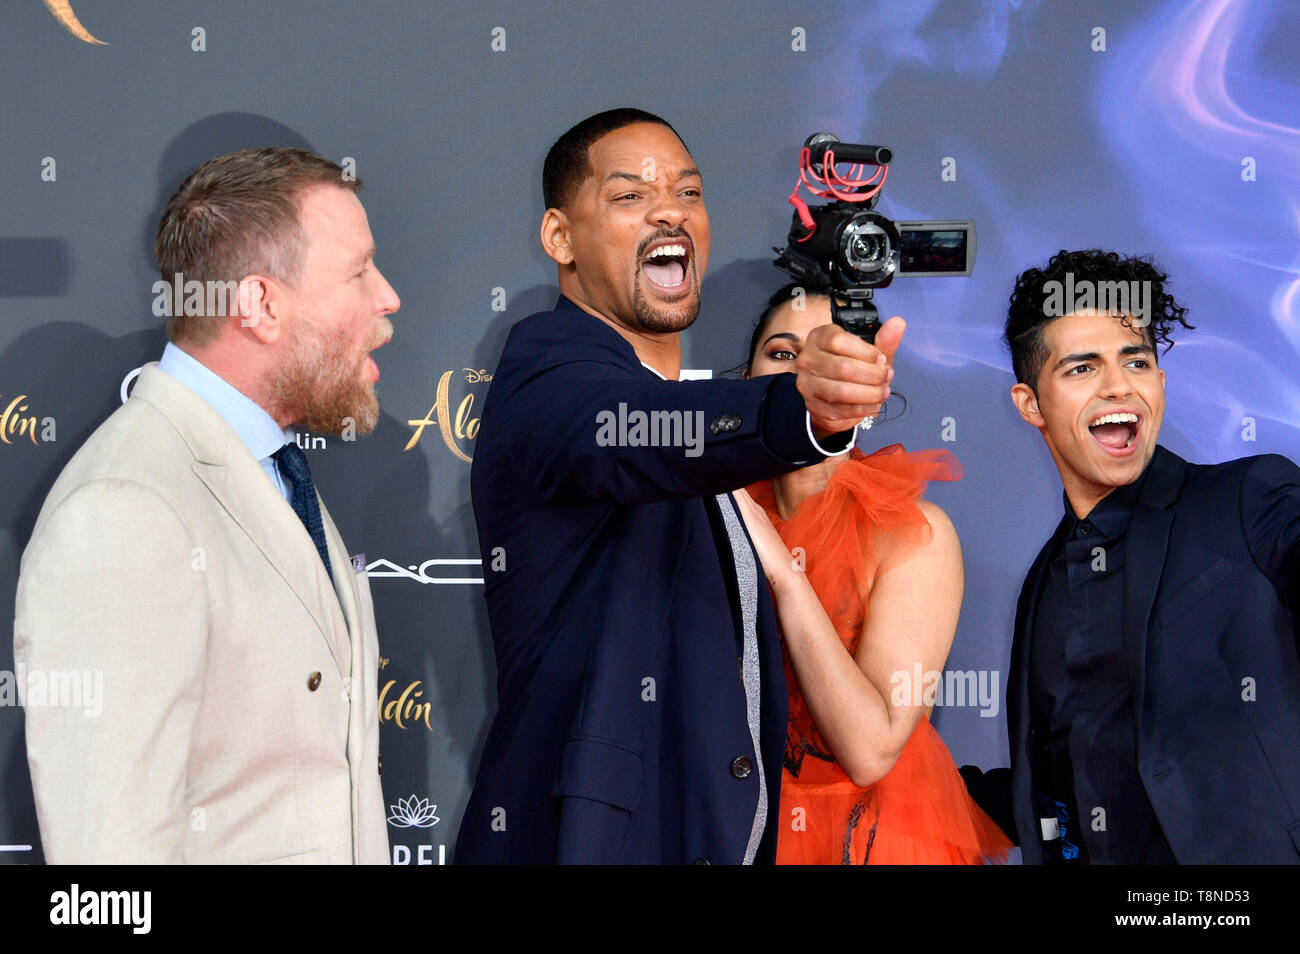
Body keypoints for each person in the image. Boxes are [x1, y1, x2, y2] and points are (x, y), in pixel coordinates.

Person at [456, 109, 900, 864]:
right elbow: (637, 430)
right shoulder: (545, 371)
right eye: (630, 196)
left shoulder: (700, 439)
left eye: (689, 193)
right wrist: (802, 406)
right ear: (559, 238)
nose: (670, 210)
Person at [14, 147, 400, 864]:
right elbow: (110, 862)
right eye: (358, 273)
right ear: (258, 304)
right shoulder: (126, 508)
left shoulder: (277, 471)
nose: (388, 298)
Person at [1004, 248, 1300, 864]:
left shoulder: (1250, 497)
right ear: (1031, 405)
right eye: (1082, 369)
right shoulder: (1042, 583)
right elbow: (1060, 772)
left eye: (1135, 361)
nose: (1119, 386)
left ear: (1159, 384)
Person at [732, 284, 1012, 864]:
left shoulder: (912, 530)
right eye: (784, 354)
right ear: (747, 378)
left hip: (876, 840)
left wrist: (784, 573)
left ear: (871, 392)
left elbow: (869, 748)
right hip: (738, 826)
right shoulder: (713, 512)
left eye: (833, 354)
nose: (807, 373)